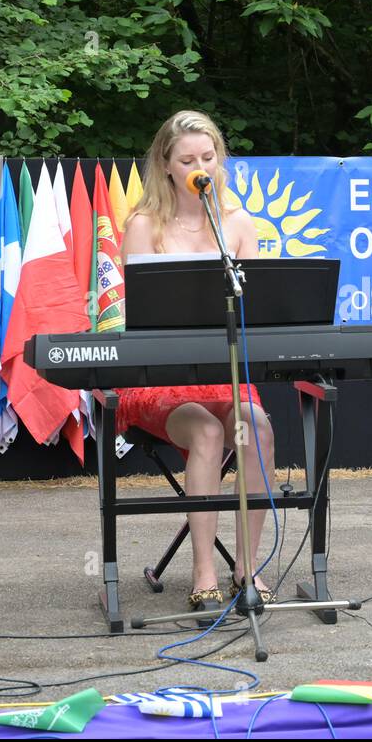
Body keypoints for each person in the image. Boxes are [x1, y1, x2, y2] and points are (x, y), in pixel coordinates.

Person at [119, 109, 277, 617]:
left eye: (207, 157)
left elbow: (258, 310)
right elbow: (140, 318)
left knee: (256, 425)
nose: (198, 166)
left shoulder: (237, 223)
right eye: (187, 159)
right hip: (162, 380)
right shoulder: (145, 225)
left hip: (223, 373)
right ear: (165, 165)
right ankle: (203, 572)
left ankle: (248, 571)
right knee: (208, 432)